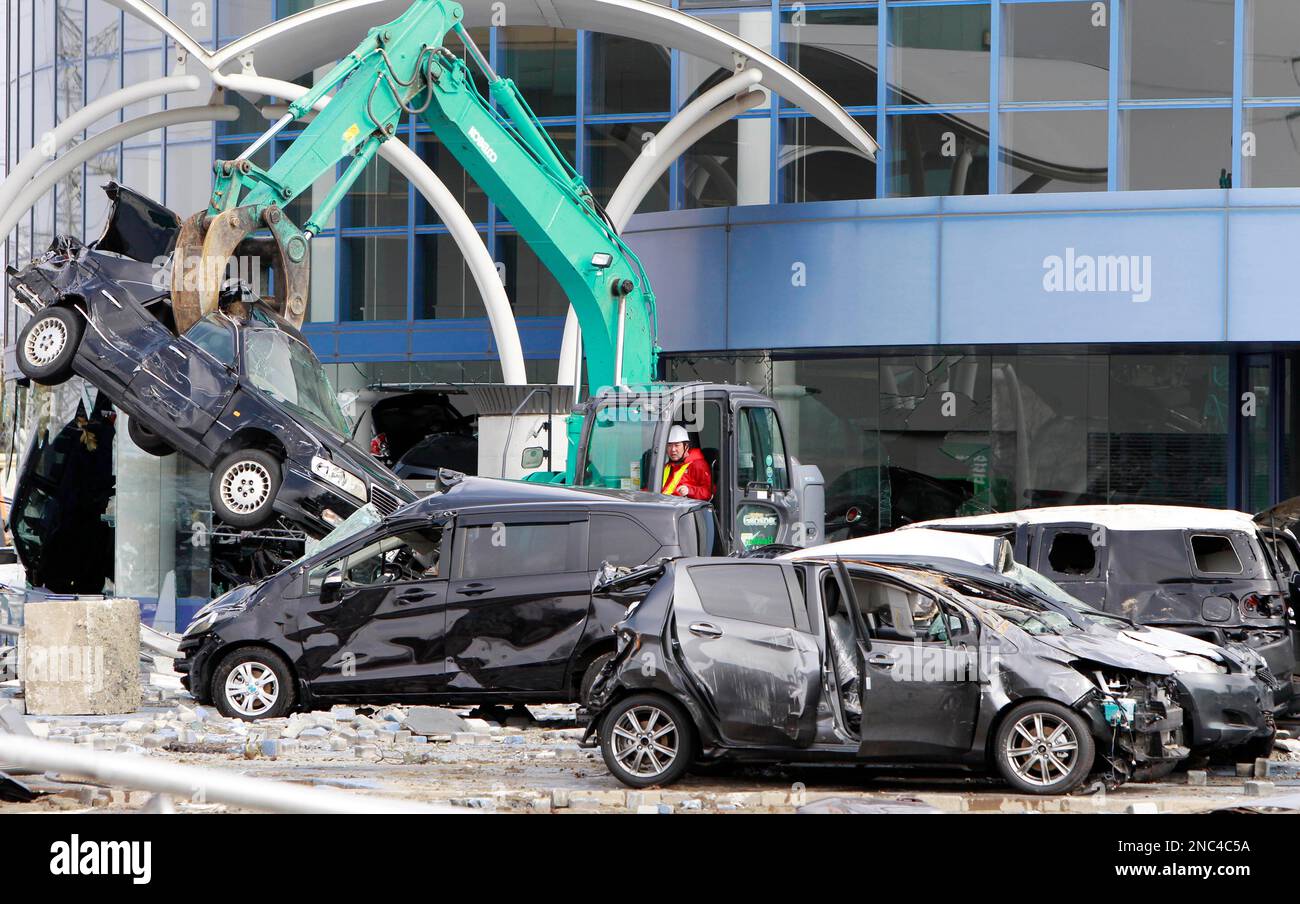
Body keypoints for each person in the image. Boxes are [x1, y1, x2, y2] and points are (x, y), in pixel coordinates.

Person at [661, 425, 713, 501]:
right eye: (669, 445)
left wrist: (689, 490)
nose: (673, 450)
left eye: (677, 445)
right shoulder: (667, 466)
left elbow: (709, 493)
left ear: (686, 446)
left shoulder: (698, 465)